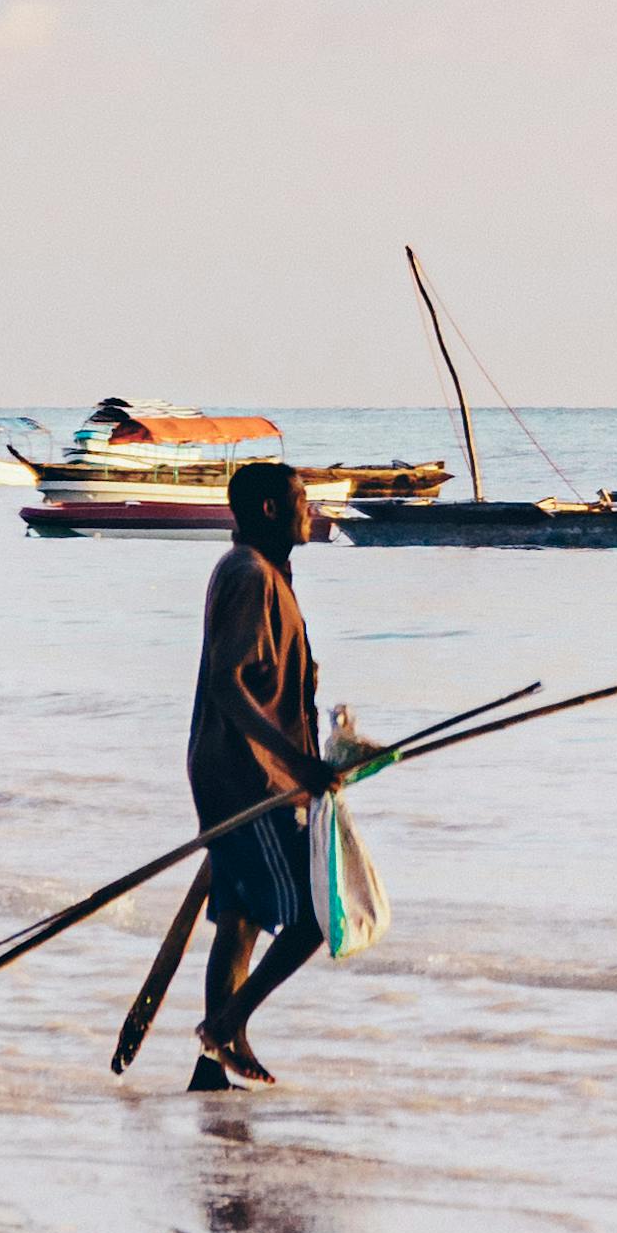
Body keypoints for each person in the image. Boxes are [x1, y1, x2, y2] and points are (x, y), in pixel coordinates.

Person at [183, 456, 363, 1089]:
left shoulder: (261, 572)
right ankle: (225, 1025)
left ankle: (210, 1075)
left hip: (242, 772)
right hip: (247, 777)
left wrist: (328, 754)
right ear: (269, 510)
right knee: (316, 912)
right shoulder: (251, 575)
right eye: (303, 501)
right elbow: (229, 688)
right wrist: (296, 764)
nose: (311, 511)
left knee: (239, 921)